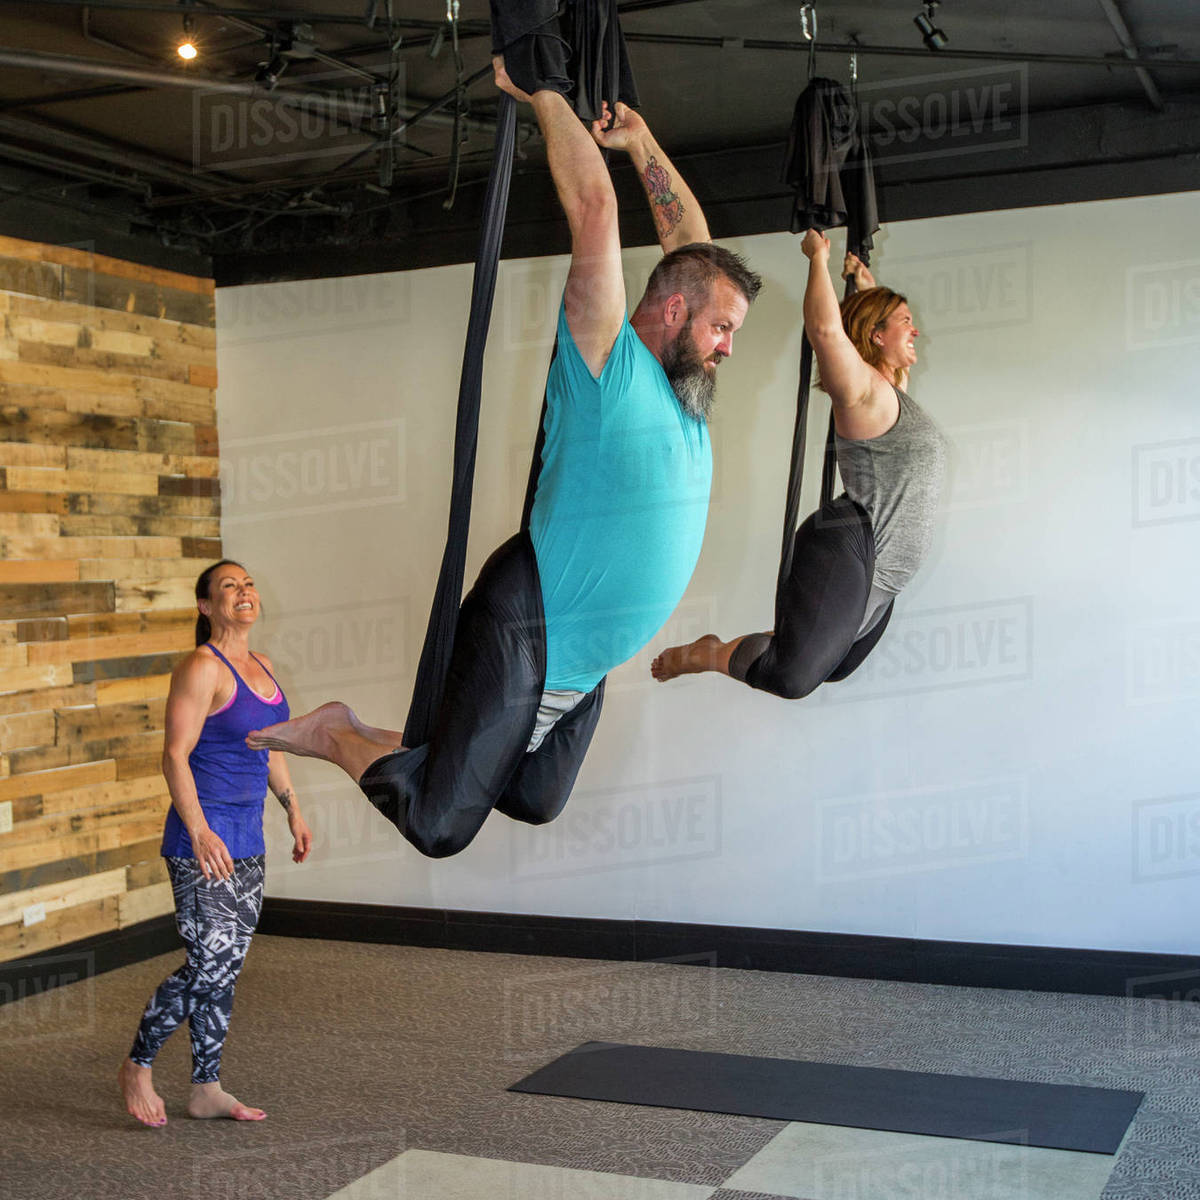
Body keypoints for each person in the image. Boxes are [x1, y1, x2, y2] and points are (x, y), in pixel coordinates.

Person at [243, 78, 762, 856]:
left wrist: (642, 143)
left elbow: (693, 243)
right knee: (437, 825)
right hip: (529, 623)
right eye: (722, 327)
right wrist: (546, 92)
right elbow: (594, 210)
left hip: (580, 667)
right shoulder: (604, 363)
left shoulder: (691, 393)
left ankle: (376, 739)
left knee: (534, 796)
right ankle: (332, 734)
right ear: (677, 311)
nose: (728, 346)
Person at [652, 232, 948, 697]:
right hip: (853, 544)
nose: (915, 330)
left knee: (834, 666)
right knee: (791, 676)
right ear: (875, 334)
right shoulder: (862, 391)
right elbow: (827, 332)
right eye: (905, 322)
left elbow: (871, 338)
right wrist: (819, 258)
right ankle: (706, 653)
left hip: (883, 578)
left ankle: (723, 649)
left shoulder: (892, 394)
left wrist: (863, 281)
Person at [118, 560, 312, 1127]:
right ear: (206, 607)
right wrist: (200, 830)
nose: (244, 591)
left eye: (248, 582)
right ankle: (138, 1064)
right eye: (229, 586)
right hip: (202, 840)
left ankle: (206, 1087)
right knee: (210, 964)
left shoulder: (264, 667)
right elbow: (174, 754)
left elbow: (269, 745)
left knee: (224, 967)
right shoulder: (202, 667)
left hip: (248, 839)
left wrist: (294, 807)